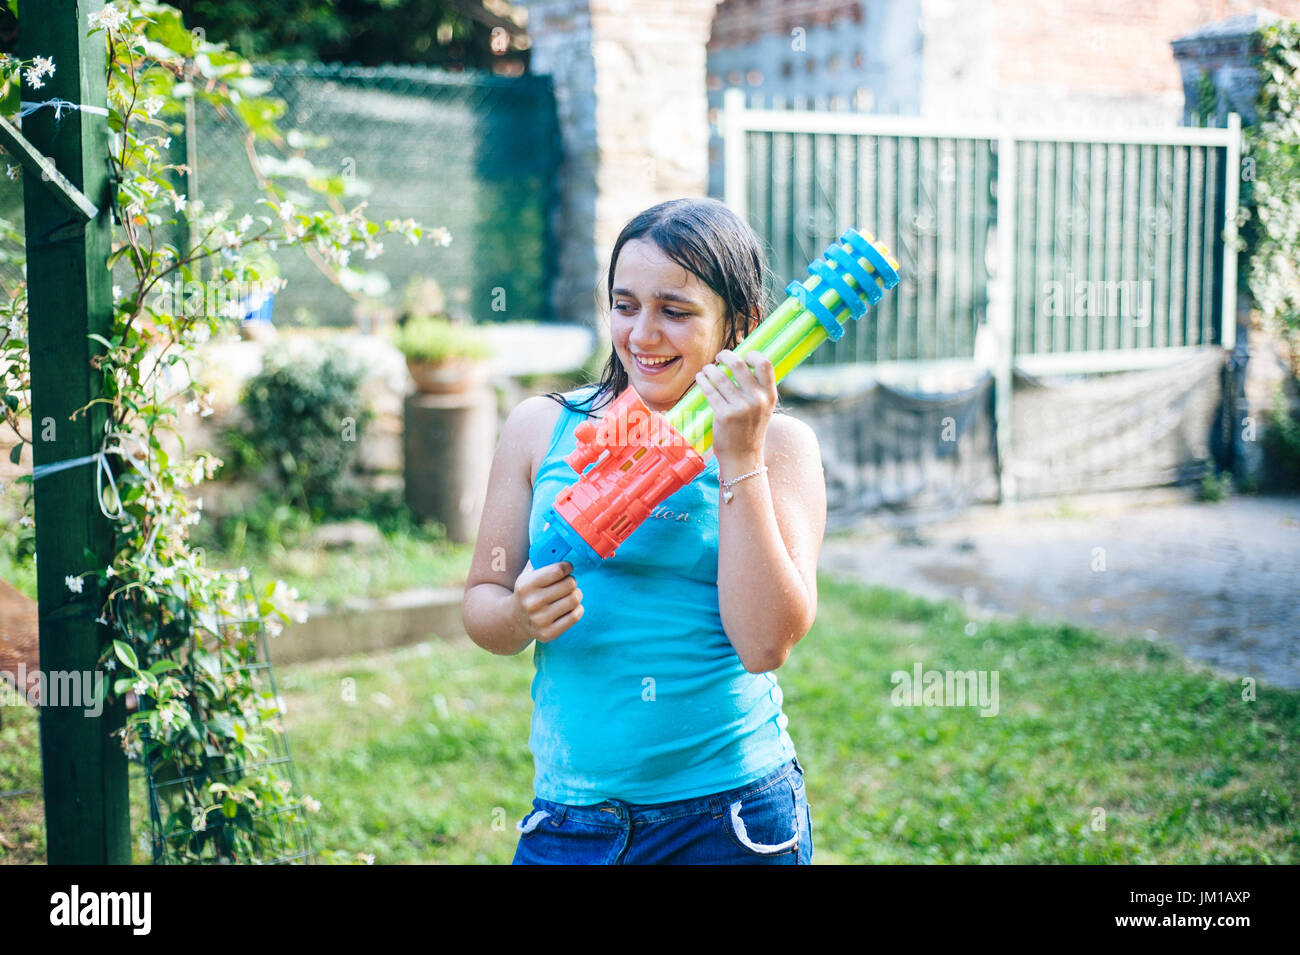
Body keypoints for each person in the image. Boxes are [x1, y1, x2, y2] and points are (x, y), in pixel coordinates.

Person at [460, 197, 827, 864]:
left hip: (730, 818)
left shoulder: (781, 446)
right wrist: (517, 613)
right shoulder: (541, 427)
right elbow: (482, 598)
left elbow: (766, 642)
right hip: (569, 821)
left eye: (675, 310)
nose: (642, 334)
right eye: (625, 305)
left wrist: (738, 456)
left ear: (739, 323)